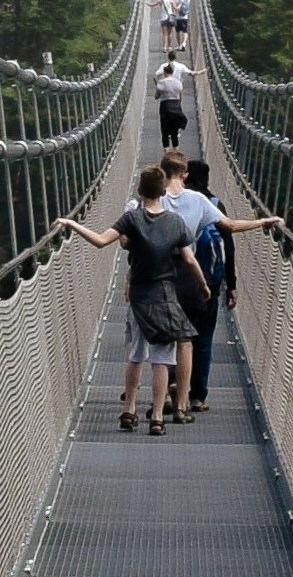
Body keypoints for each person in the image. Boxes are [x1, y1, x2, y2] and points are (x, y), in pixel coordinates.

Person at [57, 162, 214, 433]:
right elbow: (189, 259)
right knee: (163, 359)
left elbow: (100, 241)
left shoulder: (132, 219)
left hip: (139, 297)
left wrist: (72, 223)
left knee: (136, 355)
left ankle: (128, 411)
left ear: (140, 190)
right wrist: (203, 285)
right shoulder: (176, 222)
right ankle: (156, 417)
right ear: (164, 191)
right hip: (165, 298)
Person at [171, 155, 276, 416]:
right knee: (202, 340)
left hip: (174, 281)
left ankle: (173, 390)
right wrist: (232, 284)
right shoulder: (212, 203)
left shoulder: (169, 201)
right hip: (210, 282)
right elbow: (227, 242)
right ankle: (197, 396)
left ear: (185, 176)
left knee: (174, 338)